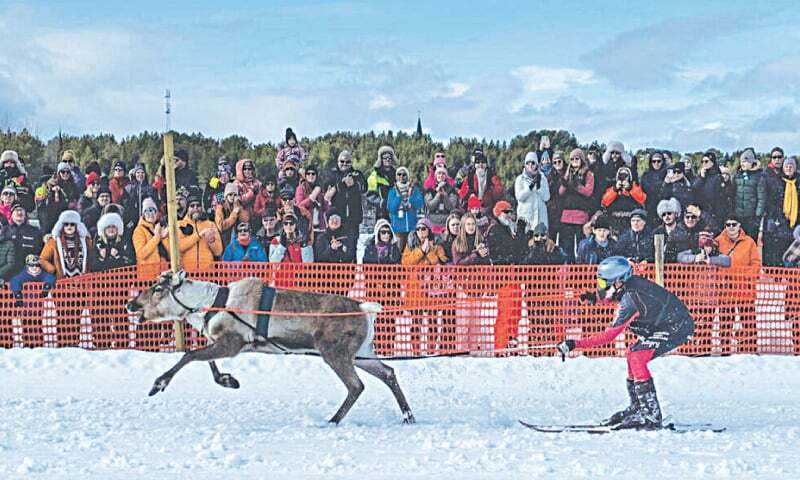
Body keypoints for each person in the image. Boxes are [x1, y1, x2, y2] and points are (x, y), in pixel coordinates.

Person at [556, 256, 694, 430]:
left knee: (637, 357)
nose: (601, 286)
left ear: (619, 281)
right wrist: (595, 298)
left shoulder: (631, 300)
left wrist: (574, 344)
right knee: (632, 354)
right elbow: (611, 294)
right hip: (666, 322)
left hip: (677, 326)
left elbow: (608, 337)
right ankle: (638, 407)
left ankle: (651, 415)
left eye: (604, 282)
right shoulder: (627, 285)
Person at [167, 193, 222, 272]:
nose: (196, 208)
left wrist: (211, 241)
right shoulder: (179, 224)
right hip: (186, 272)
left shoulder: (210, 224)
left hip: (207, 272)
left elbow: (218, 251)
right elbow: (179, 247)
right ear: (187, 208)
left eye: (198, 205)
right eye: (192, 206)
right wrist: (199, 235)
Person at [557, 148, 596, 260]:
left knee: (580, 246)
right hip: (566, 215)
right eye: (572, 159)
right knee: (566, 247)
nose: (574, 161)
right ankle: (567, 268)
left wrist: (576, 186)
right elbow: (560, 192)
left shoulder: (587, 173)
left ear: (582, 160)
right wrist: (565, 182)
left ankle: (580, 268)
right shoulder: (568, 172)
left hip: (580, 214)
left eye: (577, 158)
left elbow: (588, 191)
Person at [763, 156, 800, 266]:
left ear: (795, 168)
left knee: (792, 253)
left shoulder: (798, 183)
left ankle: (791, 278)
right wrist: (773, 219)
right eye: (786, 166)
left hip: (796, 221)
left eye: (791, 166)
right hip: (780, 220)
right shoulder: (777, 181)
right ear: (783, 168)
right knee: (779, 250)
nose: (789, 168)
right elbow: (772, 202)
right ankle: (778, 276)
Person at [40, 210, 93, 279]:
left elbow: (92, 258)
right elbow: (43, 259)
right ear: (61, 226)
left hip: (82, 282)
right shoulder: (53, 242)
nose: (69, 226)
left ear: (77, 225)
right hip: (62, 283)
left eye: (72, 224)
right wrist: (53, 270)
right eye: (66, 224)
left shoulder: (86, 241)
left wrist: (89, 271)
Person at [325, 150, 367, 237]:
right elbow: (326, 196)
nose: (344, 164)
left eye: (347, 162)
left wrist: (354, 184)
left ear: (351, 163)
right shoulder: (332, 175)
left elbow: (364, 188)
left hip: (354, 218)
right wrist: (340, 184)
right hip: (336, 218)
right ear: (338, 162)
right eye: (342, 161)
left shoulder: (357, 174)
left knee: (352, 248)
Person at [457, 148, 505, 217]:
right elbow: (461, 193)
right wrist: (470, 193)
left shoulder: (492, 176)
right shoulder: (469, 176)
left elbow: (499, 192)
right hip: (472, 208)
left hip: (487, 207)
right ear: (474, 163)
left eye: (483, 162)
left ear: (486, 164)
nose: (480, 164)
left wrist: (490, 191)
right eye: (478, 162)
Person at [600, 166, 646, 237]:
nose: (623, 177)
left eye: (625, 175)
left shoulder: (635, 186)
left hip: (630, 222)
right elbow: (605, 202)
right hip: (614, 222)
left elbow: (642, 199)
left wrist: (629, 188)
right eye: (621, 175)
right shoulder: (612, 187)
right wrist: (615, 189)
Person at [387, 166, 425, 252]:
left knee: (411, 251)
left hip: (411, 227)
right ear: (396, 176)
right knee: (398, 252)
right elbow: (391, 208)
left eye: (404, 174)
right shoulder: (392, 191)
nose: (401, 176)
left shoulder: (414, 190)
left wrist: (410, 196)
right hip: (398, 228)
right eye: (399, 174)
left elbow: (420, 204)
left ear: (407, 176)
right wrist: (398, 197)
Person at [692, 150, 734, 226]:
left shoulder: (718, 177)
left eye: (706, 161)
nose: (704, 164)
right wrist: (701, 178)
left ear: (712, 162)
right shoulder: (702, 175)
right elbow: (694, 190)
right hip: (703, 211)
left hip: (714, 213)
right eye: (702, 161)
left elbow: (720, 198)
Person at [732, 149, 767, 239]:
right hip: (738, 214)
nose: (743, 164)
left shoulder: (759, 176)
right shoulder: (737, 175)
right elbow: (732, 193)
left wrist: (757, 215)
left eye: (745, 161)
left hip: (751, 215)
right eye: (741, 161)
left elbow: (761, 198)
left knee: (750, 240)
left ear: (752, 162)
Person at [2, 202, 42, 277]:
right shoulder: (5, 231)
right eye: (16, 210)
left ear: (25, 214)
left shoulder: (35, 231)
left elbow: (40, 251)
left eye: (21, 210)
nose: (19, 212)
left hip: (30, 271)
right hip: (8, 272)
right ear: (11, 214)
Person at [131, 197, 168, 279]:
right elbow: (141, 254)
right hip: (147, 276)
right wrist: (157, 237)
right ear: (143, 214)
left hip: (163, 274)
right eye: (147, 211)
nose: (150, 214)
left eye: (152, 210)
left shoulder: (160, 227)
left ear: (156, 213)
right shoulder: (139, 230)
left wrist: (164, 237)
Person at [514, 152, 550, 233]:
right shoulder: (520, 179)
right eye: (527, 163)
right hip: (526, 219)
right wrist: (530, 187)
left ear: (537, 164)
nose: (530, 165)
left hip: (540, 218)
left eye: (533, 163)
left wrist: (538, 186)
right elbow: (519, 197)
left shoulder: (543, 178)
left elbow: (547, 197)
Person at [486, 200, 529, 265]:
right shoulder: (495, 229)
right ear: (498, 213)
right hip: (501, 269)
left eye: (510, 212)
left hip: (506, 267)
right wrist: (520, 231)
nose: (509, 215)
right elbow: (512, 248)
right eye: (506, 212)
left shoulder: (506, 228)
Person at [652, 198, 691, 263]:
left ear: (675, 214)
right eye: (664, 214)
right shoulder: (656, 232)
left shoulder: (684, 231)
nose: (666, 216)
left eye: (669, 213)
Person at [295, 164, 329, 239]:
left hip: (320, 228)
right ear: (305, 176)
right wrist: (311, 198)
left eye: (313, 173)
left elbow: (325, 208)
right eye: (308, 173)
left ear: (316, 175)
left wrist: (327, 198)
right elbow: (299, 206)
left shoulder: (319, 188)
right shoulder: (301, 188)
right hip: (306, 228)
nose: (311, 175)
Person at [424, 165, 460, 235]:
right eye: (439, 173)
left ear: (446, 176)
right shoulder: (430, 190)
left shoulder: (452, 190)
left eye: (443, 173)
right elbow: (429, 207)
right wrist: (437, 196)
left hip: (446, 223)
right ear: (436, 175)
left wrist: (445, 196)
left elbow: (452, 208)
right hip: (432, 223)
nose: (441, 175)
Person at [367, 146, 397, 220]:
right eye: (385, 157)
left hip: (396, 213)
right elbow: (370, 196)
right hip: (381, 213)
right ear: (381, 159)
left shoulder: (397, 174)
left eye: (390, 158)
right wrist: (382, 202)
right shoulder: (374, 175)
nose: (387, 159)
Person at [640, 152, 668, 225]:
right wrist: (663, 183)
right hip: (649, 208)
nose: (656, 163)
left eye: (659, 161)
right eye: (654, 161)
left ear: (662, 161)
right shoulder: (646, 175)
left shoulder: (667, 173)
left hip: (665, 209)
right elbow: (647, 188)